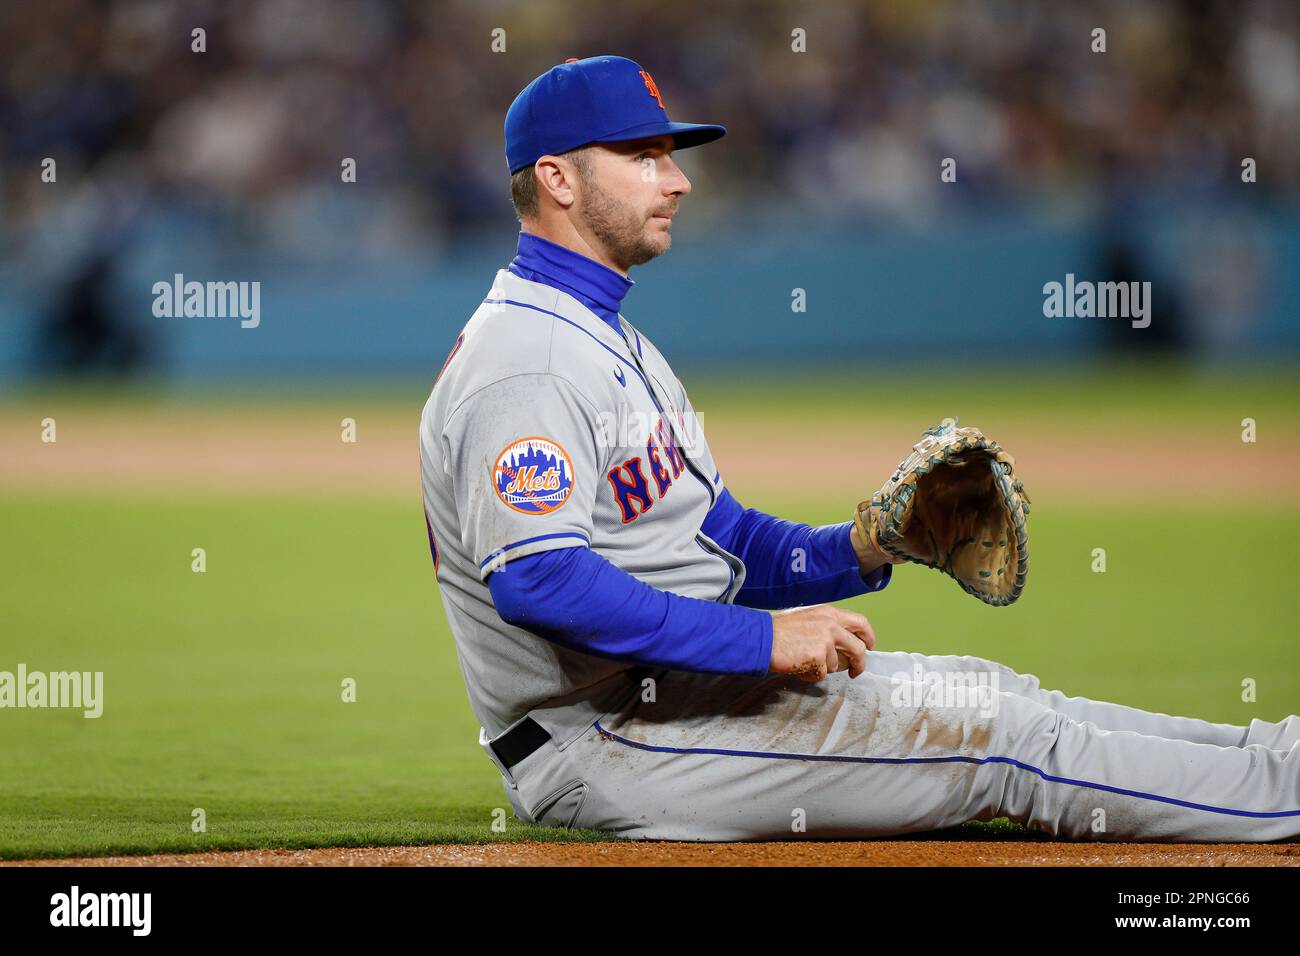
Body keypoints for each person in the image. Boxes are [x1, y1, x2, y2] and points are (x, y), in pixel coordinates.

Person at [418, 55, 1300, 841]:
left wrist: (865, 547)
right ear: (557, 180)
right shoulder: (526, 360)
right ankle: (1278, 797)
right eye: (643, 157)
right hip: (605, 739)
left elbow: (720, 540)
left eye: (670, 155)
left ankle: (1275, 758)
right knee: (1003, 741)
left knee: (994, 692)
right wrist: (761, 639)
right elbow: (538, 580)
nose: (676, 180)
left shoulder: (609, 339)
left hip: (673, 698)